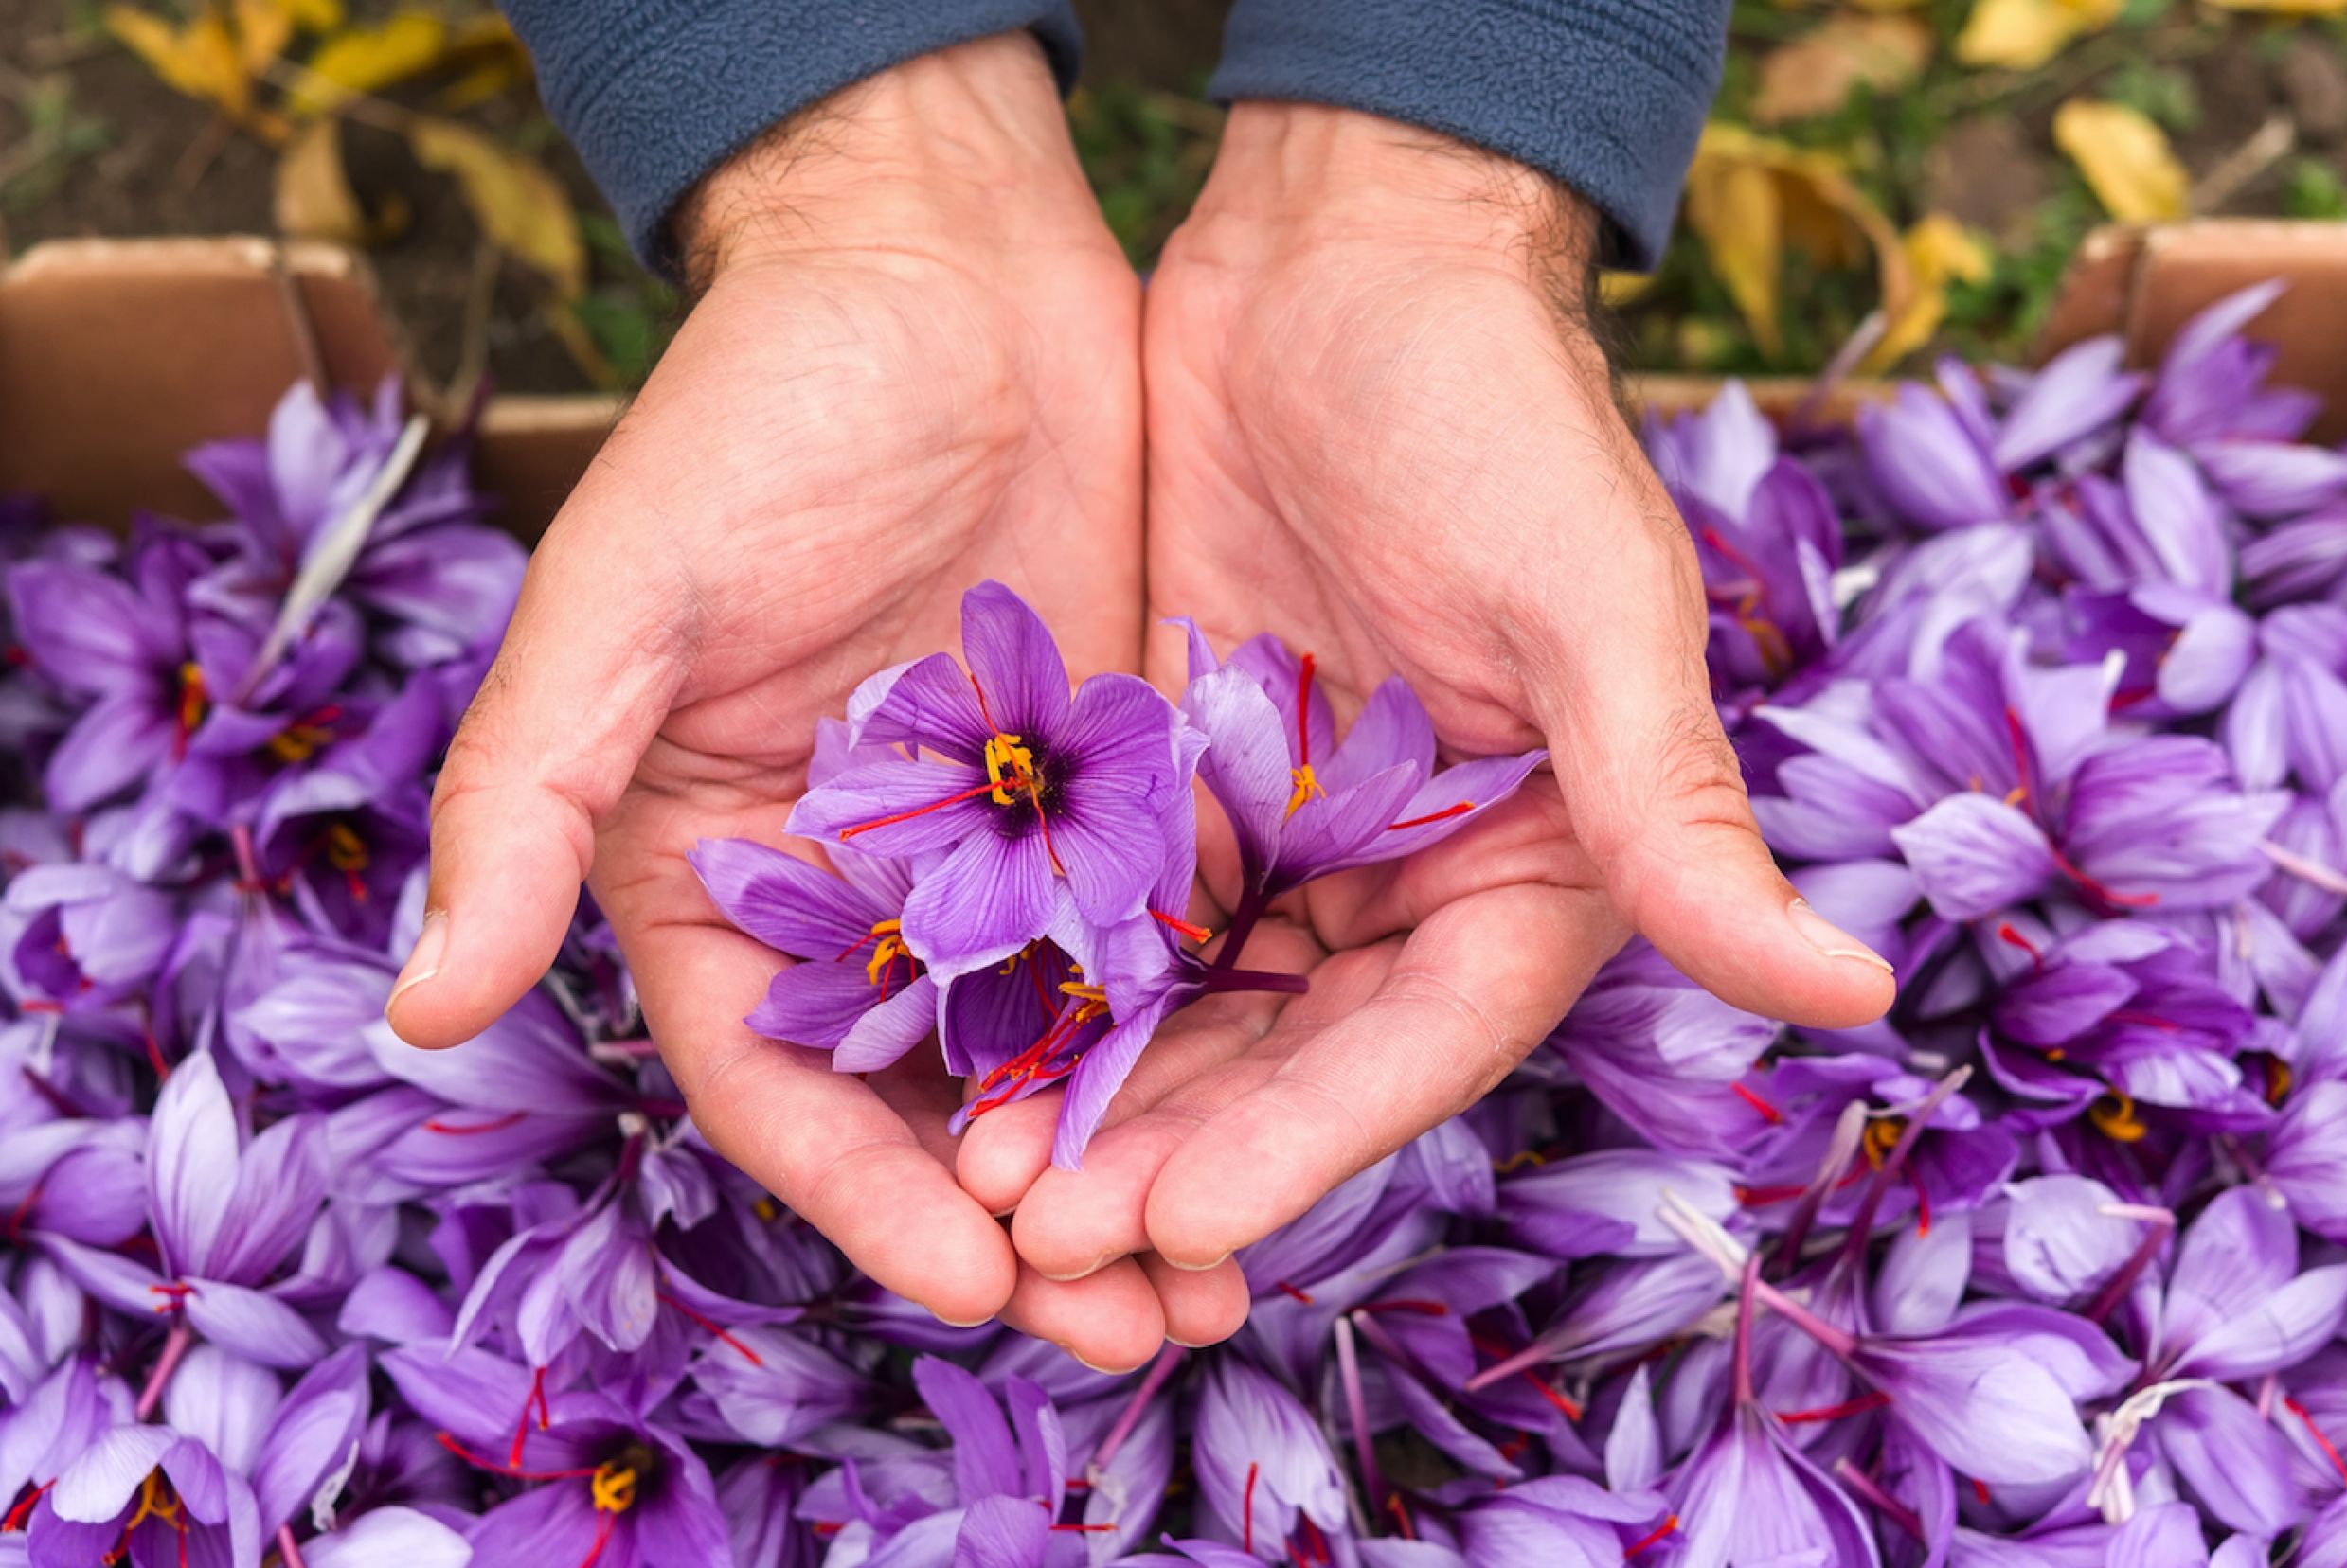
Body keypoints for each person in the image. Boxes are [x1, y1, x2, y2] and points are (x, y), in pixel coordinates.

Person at [384, 2, 1897, 1373]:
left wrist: (1434, 163)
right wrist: (856, 153)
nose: (1007, 776)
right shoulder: (1030, 803)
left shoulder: (1085, 760)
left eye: (1013, 779)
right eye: (1001, 785)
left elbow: (1092, 766)